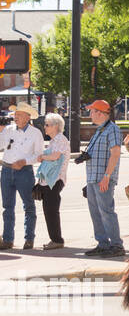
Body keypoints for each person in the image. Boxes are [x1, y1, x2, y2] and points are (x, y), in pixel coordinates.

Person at [83, 99, 125, 257]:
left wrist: (107, 176)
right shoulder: (100, 130)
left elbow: (115, 153)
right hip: (93, 178)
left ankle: (116, 245)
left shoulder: (112, 129)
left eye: (92, 111)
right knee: (95, 212)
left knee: (106, 211)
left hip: (103, 178)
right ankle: (103, 243)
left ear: (100, 113)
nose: (90, 114)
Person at [0, 102, 44, 250]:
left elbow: (39, 155)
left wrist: (25, 161)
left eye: (18, 115)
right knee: (7, 207)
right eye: (15, 115)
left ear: (27, 117)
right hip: (6, 170)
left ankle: (29, 239)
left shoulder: (35, 133)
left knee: (29, 207)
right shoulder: (8, 130)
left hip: (24, 172)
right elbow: (1, 145)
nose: (15, 117)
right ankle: (7, 240)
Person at [35, 113, 70, 250]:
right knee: (48, 210)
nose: (45, 127)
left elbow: (55, 156)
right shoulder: (53, 141)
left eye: (47, 125)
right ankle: (54, 239)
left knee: (51, 210)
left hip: (55, 180)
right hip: (48, 181)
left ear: (56, 126)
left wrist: (43, 156)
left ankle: (57, 240)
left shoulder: (61, 139)